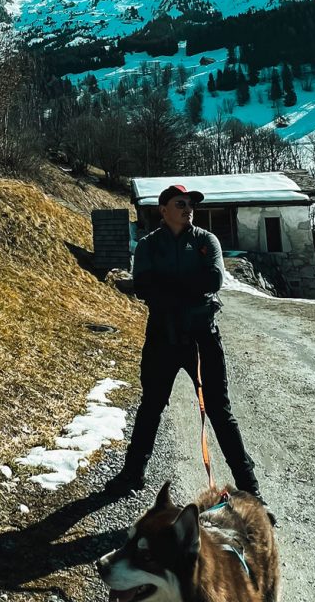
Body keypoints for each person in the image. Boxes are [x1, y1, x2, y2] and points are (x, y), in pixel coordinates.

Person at [107, 184, 263, 499]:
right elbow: (145, 288)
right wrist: (184, 287)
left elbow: (213, 280)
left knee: (219, 410)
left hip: (202, 338)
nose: (188, 208)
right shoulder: (149, 245)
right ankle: (132, 474)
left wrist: (165, 284)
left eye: (190, 204)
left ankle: (250, 489)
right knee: (151, 405)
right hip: (162, 336)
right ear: (163, 210)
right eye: (181, 204)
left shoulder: (207, 241)